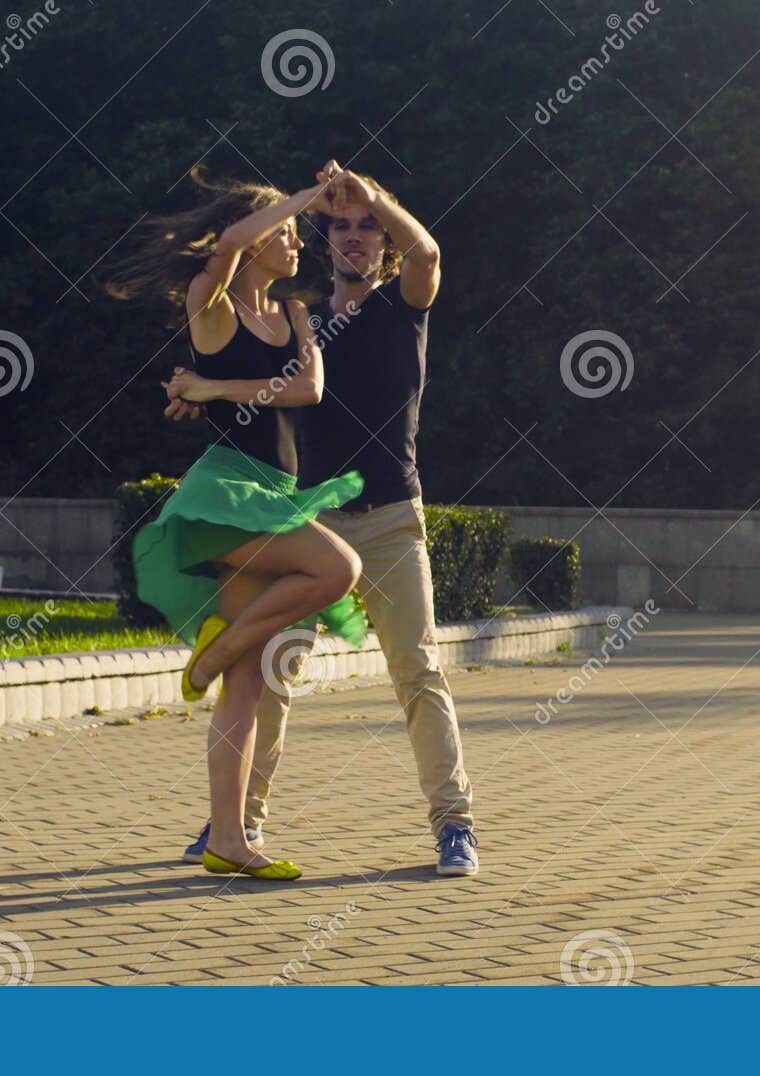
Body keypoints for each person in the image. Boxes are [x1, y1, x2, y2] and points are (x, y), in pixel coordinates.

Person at [180, 161, 479, 877]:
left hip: (392, 519)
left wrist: (371, 192)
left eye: (366, 226)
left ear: (385, 242)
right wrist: (202, 392)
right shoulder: (301, 319)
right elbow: (262, 378)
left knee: (419, 672)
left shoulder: (406, 304)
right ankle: (236, 820)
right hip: (311, 524)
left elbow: (431, 255)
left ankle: (454, 825)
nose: (352, 237)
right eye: (340, 226)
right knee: (276, 671)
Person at [112, 170, 366, 881]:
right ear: (254, 242)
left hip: (278, 491)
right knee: (338, 569)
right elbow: (226, 240)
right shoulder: (211, 305)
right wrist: (308, 198)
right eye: (283, 232)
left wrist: (212, 388)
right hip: (228, 494)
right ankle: (216, 653)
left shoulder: (294, 314)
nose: (296, 242)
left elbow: (310, 389)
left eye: (295, 231)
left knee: (249, 686)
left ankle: (228, 839)